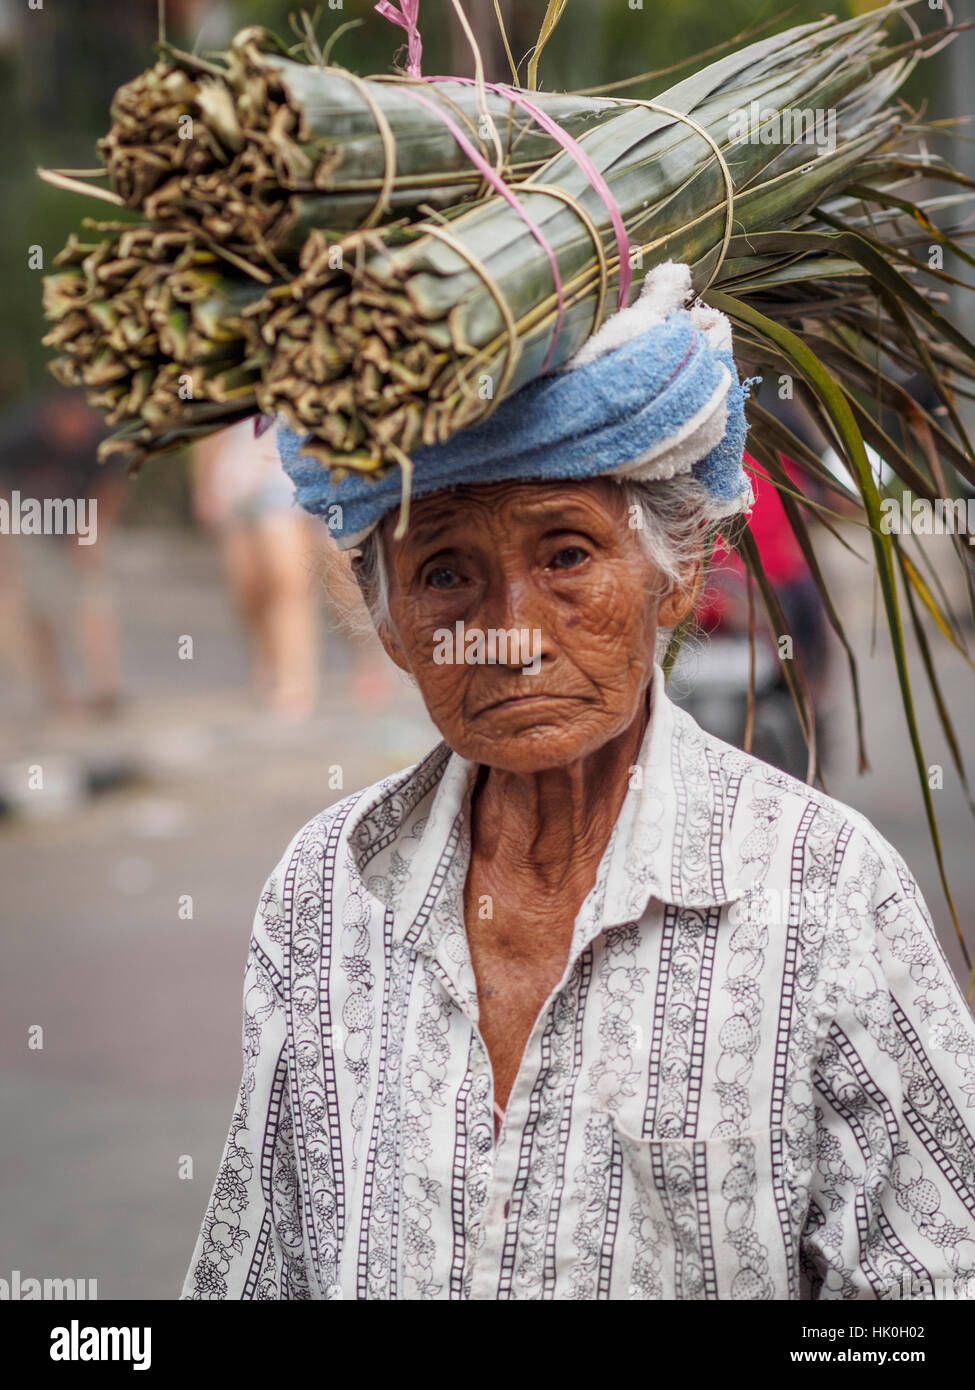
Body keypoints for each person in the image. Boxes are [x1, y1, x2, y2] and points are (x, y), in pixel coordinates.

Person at [182, 262, 975, 1301]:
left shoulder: (822, 893)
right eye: (447, 573)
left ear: (678, 572)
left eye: (566, 553)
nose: (510, 631)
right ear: (387, 621)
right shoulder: (323, 894)